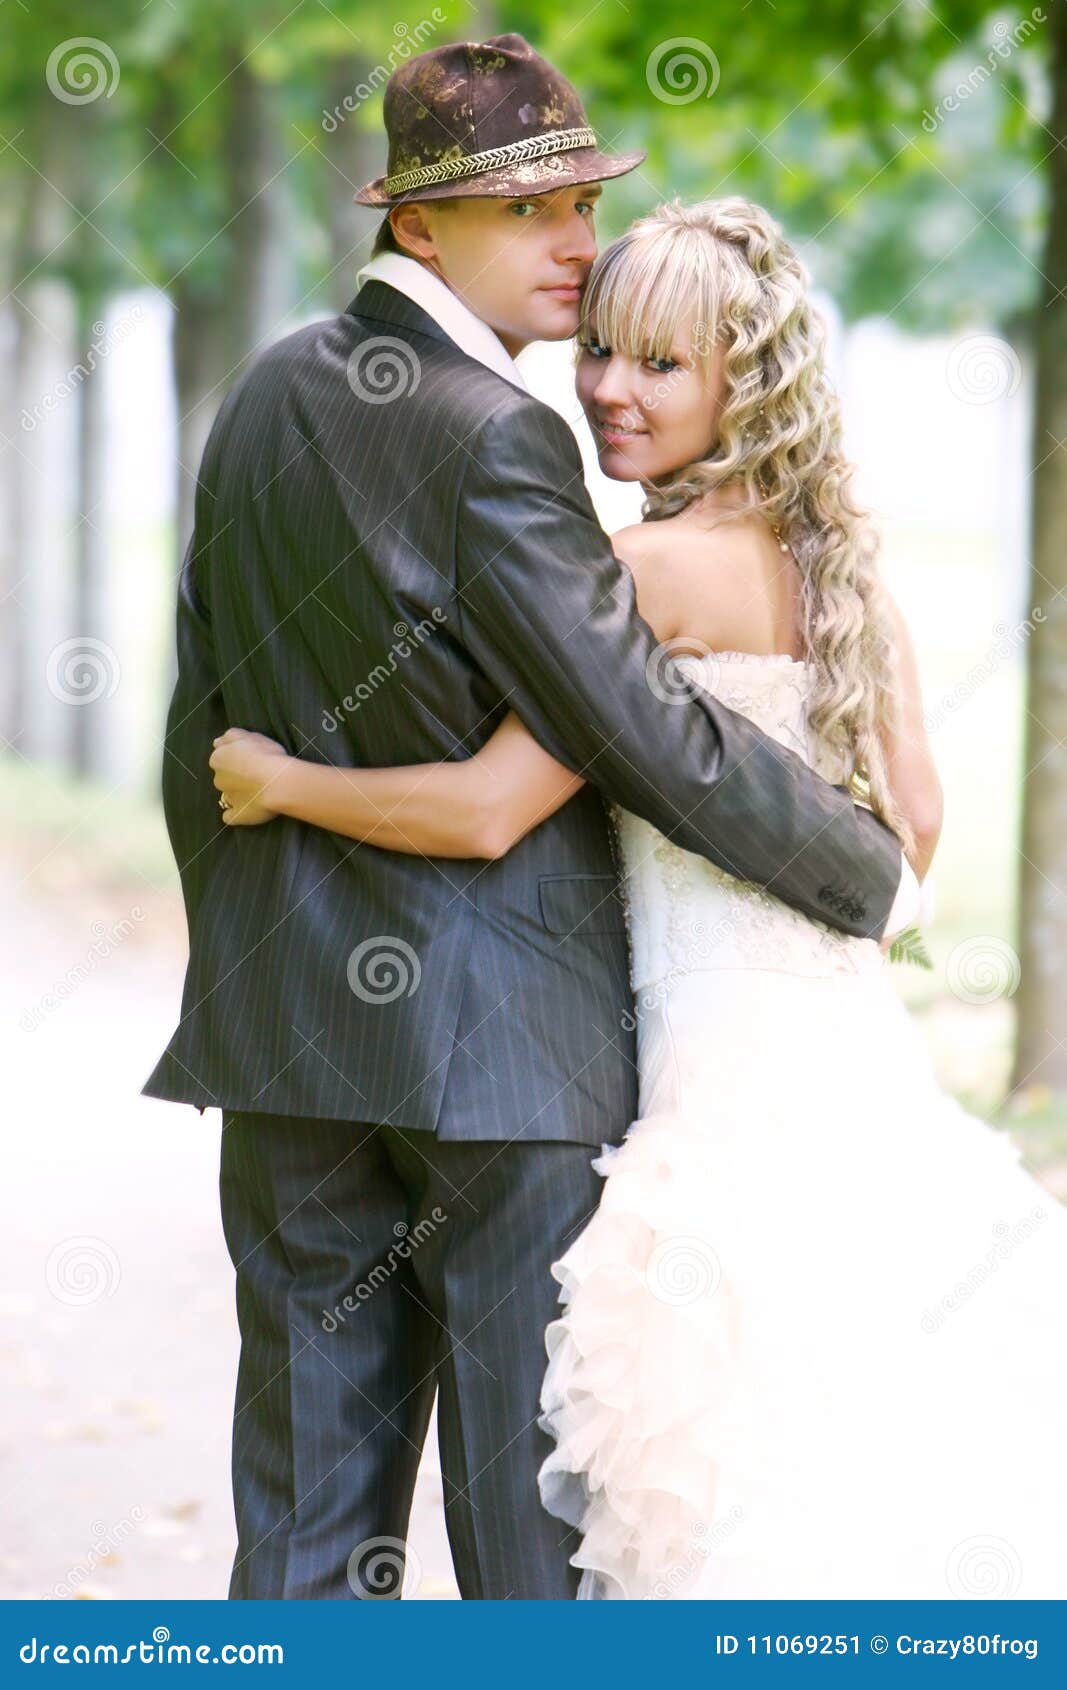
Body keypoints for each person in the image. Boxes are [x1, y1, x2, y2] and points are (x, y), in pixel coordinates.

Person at [146, 33, 917, 1601]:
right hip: (508, 1077)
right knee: (528, 1560)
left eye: (584, 202)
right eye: (536, 212)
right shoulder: (503, 436)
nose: (577, 243)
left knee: (301, 1532)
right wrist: (863, 872)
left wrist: (261, 936)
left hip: (290, 1048)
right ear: (419, 226)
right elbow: (641, 728)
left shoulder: (261, 396)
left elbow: (196, 732)